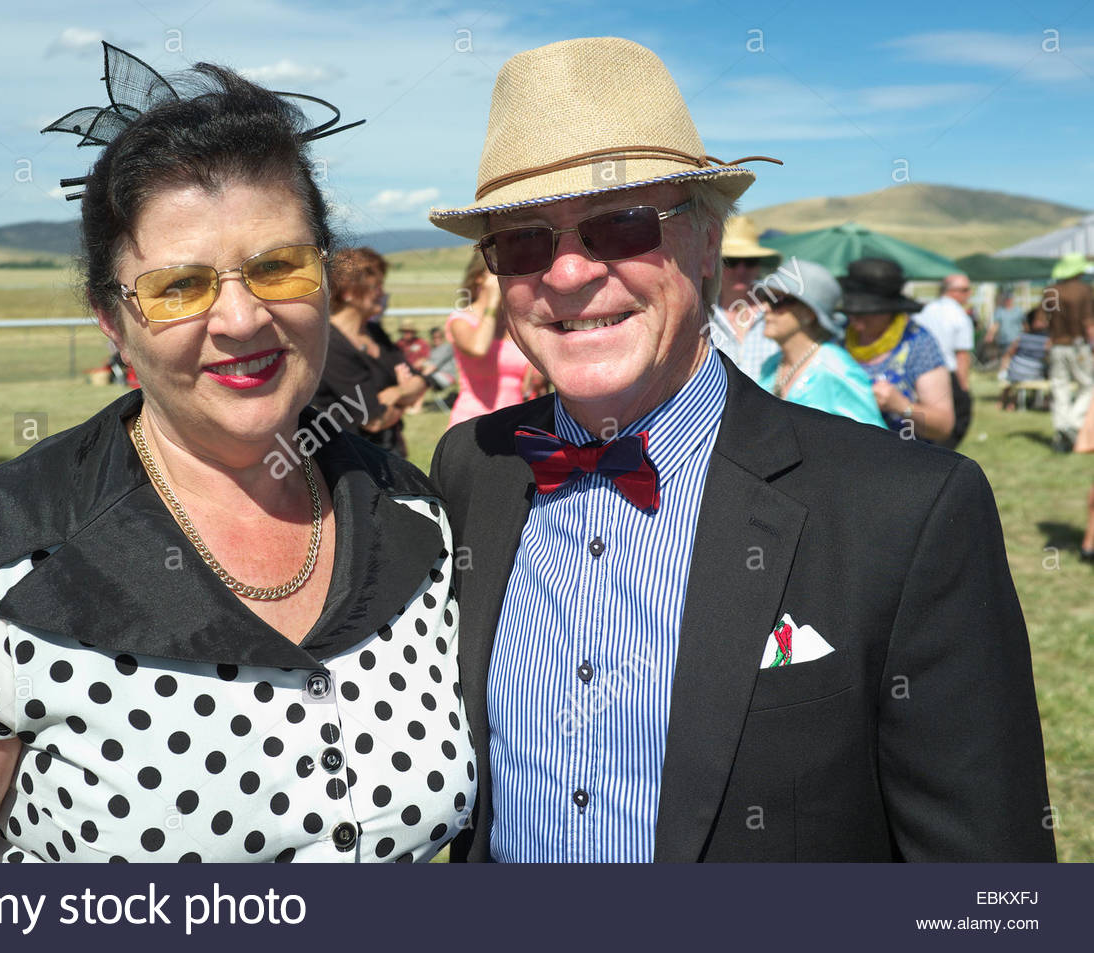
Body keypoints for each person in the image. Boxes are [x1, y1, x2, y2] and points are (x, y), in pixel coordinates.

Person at [0, 46, 473, 863]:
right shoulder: (0, 549)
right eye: (180, 287)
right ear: (112, 319)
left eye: (278, 267)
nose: (241, 318)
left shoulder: (415, 519)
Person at [427, 36, 1052, 862]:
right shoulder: (472, 466)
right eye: (523, 241)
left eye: (621, 226)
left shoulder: (906, 509)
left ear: (708, 246)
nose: (569, 274)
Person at [312, 247, 427, 456]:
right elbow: (373, 419)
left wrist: (395, 394)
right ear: (348, 292)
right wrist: (405, 396)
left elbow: (420, 382)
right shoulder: (330, 343)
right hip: (350, 458)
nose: (382, 293)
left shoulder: (375, 333)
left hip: (389, 452)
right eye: (376, 286)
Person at [754, 260, 884, 427]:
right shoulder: (771, 365)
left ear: (809, 313)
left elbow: (874, 436)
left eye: (777, 301)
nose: (765, 308)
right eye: (765, 298)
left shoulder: (837, 368)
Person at [839, 258, 956, 443]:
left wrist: (901, 406)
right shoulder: (838, 335)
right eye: (851, 309)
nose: (855, 318)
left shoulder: (918, 342)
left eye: (865, 311)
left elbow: (943, 426)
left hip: (900, 455)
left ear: (890, 309)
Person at [446, 251, 542, 426]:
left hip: (516, 424)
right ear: (479, 277)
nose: (505, 277)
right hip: (472, 424)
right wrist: (491, 303)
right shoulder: (461, 320)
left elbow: (534, 382)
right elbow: (478, 348)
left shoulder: (514, 322)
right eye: (497, 271)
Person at [707, 216, 779, 378]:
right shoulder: (701, 314)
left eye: (749, 261)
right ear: (715, 264)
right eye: (731, 262)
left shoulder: (780, 309)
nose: (741, 270)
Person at [914, 273, 975, 447]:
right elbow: (962, 355)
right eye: (966, 290)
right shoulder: (959, 316)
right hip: (947, 374)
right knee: (955, 421)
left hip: (920, 373)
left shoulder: (926, 310)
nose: (969, 294)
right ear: (954, 291)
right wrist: (963, 387)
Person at [1043, 252, 1094, 453]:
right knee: (1088, 386)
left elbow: (1040, 321)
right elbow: (1089, 323)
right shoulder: (1084, 290)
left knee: (1059, 387)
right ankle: (1072, 424)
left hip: (1056, 345)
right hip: (1077, 345)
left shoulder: (1050, 291)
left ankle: (1061, 431)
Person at [999, 308, 1050, 411]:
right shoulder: (1046, 339)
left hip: (1015, 372)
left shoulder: (1022, 337)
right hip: (1035, 373)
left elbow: (1009, 353)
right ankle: (1044, 401)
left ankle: (1004, 402)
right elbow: (1048, 356)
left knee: (1011, 373)